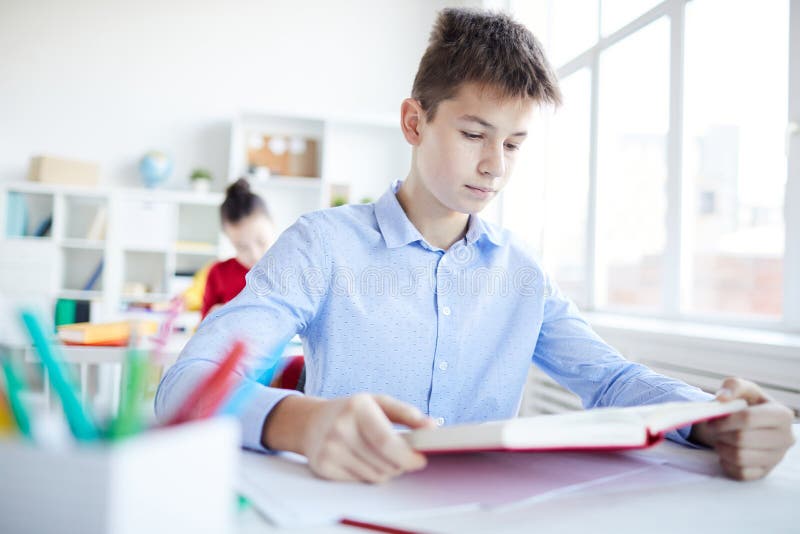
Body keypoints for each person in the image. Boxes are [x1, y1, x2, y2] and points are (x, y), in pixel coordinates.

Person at [156, 8, 794, 484]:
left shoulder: (520, 273)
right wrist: (300, 421)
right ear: (415, 121)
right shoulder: (321, 247)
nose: (494, 165)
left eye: (513, 144)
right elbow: (186, 385)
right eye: (473, 133)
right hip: (346, 507)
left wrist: (714, 416)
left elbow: (612, 379)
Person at [202, 178, 275, 319]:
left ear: (273, 224)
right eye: (242, 247)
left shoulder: (290, 270)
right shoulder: (218, 274)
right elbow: (203, 330)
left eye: (261, 242)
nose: (254, 254)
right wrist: (216, 315)